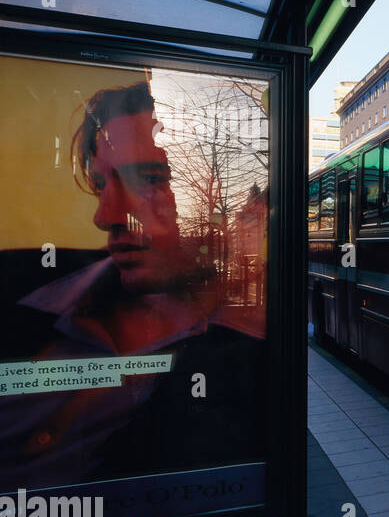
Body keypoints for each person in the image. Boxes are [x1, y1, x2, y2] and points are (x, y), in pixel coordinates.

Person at [0, 80, 268, 490]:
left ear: (247, 207)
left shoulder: (257, 346)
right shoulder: (18, 279)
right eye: (103, 184)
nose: (106, 215)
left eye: (150, 178)